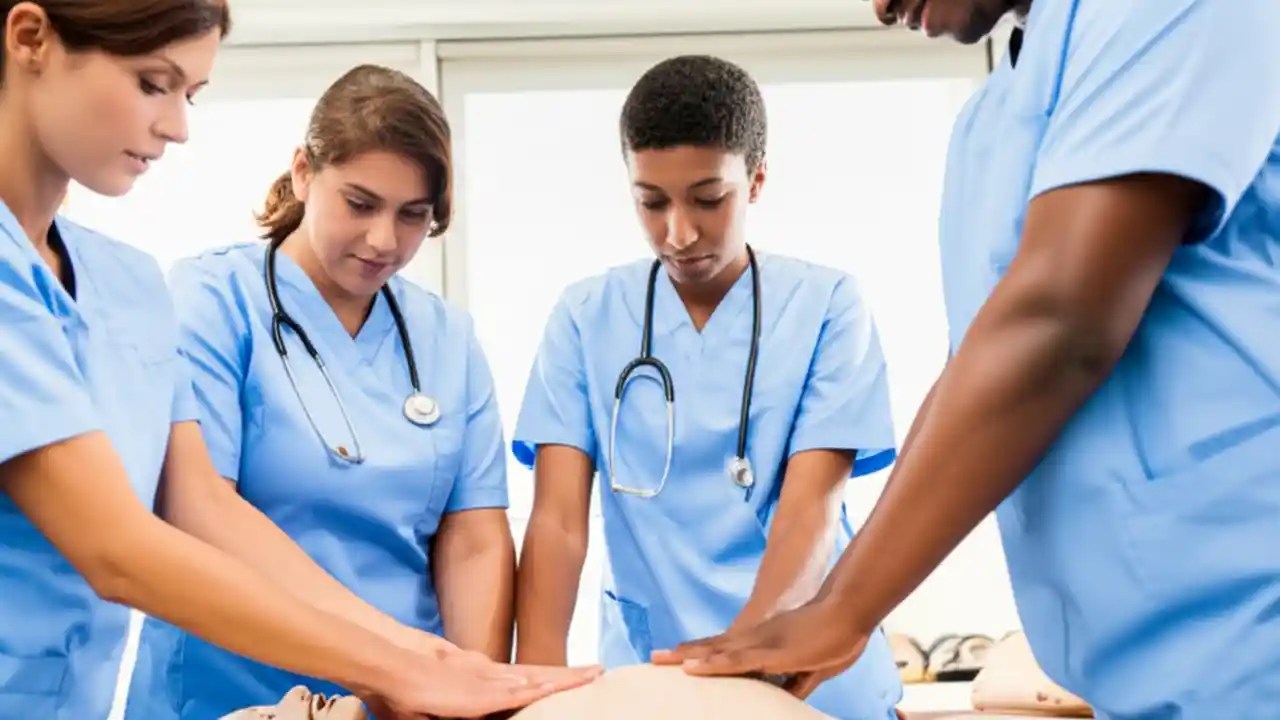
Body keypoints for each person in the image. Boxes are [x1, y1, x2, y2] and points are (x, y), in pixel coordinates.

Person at [656, 1, 1280, 718]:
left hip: (1251, 641)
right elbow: (980, 371)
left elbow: (1058, 322)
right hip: (1133, 678)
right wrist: (835, 605)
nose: (880, 7)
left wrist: (845, 608)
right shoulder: (989, 125)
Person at [0, 2, 597, 718]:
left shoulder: (126, 285)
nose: (178, 127)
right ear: (29, 38)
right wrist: (399, 665)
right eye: (152, 83)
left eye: (190, 95)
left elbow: (189, 499)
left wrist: (439, 663)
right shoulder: (205, 295)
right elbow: (120, 547)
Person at [513, 54, 903, 720]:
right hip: (655, 679)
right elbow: (557, 522)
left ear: (755, 181)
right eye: (651, 202)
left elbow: (808, 510)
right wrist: (535, 690)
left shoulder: (827, 305)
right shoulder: (585, 318)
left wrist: (745, 663)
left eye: (708, 198)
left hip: (805, 679)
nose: (679, 232)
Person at [126, 63, 518, 719]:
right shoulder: (214, 300)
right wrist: (391, 657)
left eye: (413, 215)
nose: (383, 240)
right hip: (228, 695)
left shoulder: (446, 337)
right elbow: (204, 511)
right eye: (360, 204)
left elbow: (474, 537)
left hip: (400, 701)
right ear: (305, 172)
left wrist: (462, 692)